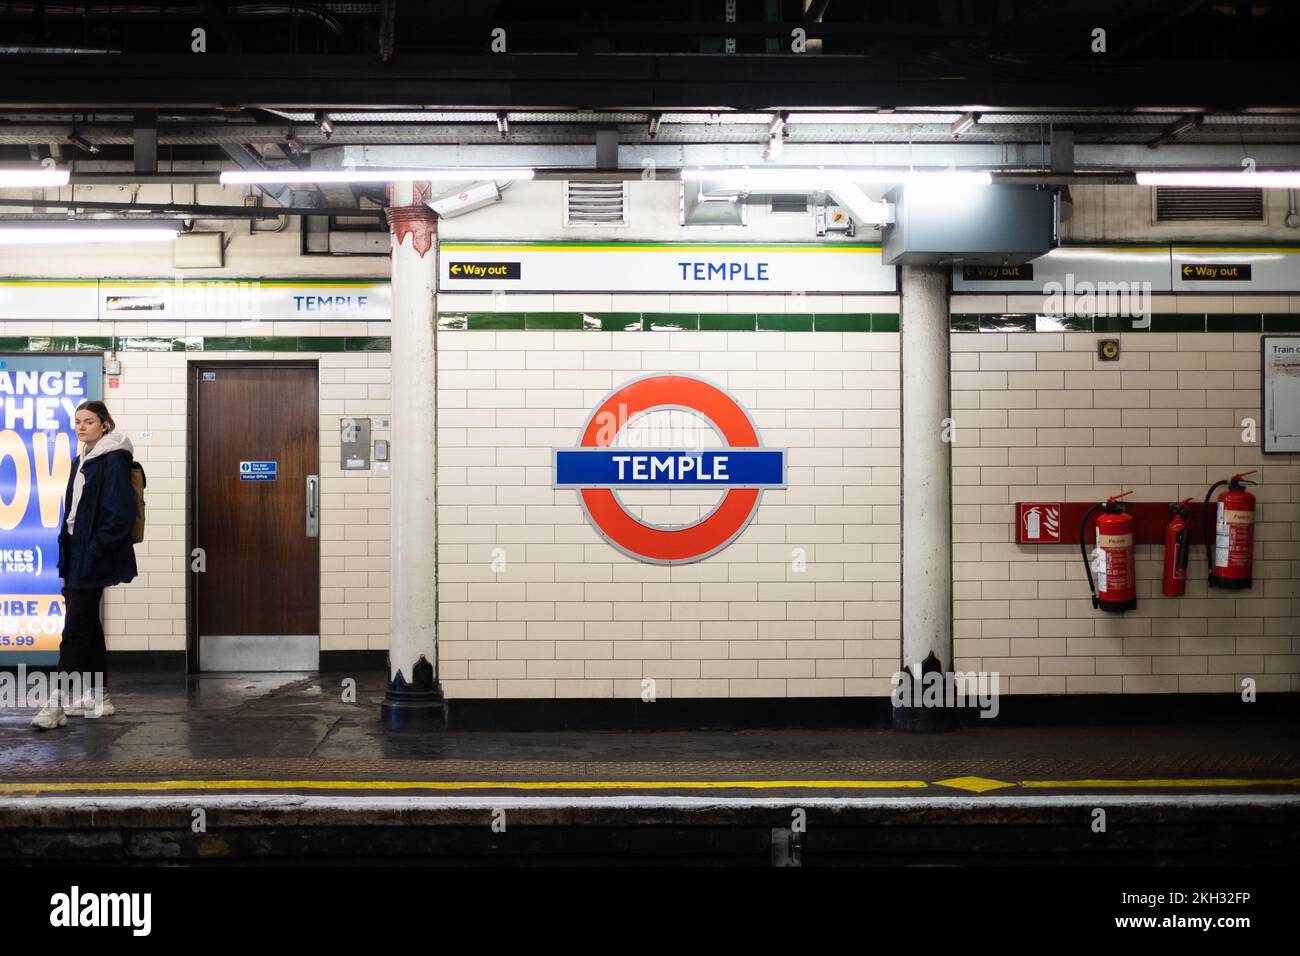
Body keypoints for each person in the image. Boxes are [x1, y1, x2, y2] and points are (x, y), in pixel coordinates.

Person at [31, 400, 137, 730]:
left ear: (105, 425)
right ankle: (98, 697)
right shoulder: (83, 459)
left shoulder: (113, 459)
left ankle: (56, 703)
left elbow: (121, 513)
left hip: (91, 554)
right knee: (87, 623)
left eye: (89, 421)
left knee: (75, 629)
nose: (81, 427)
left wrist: (94, 549)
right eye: (78, 421)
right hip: (77, 551)